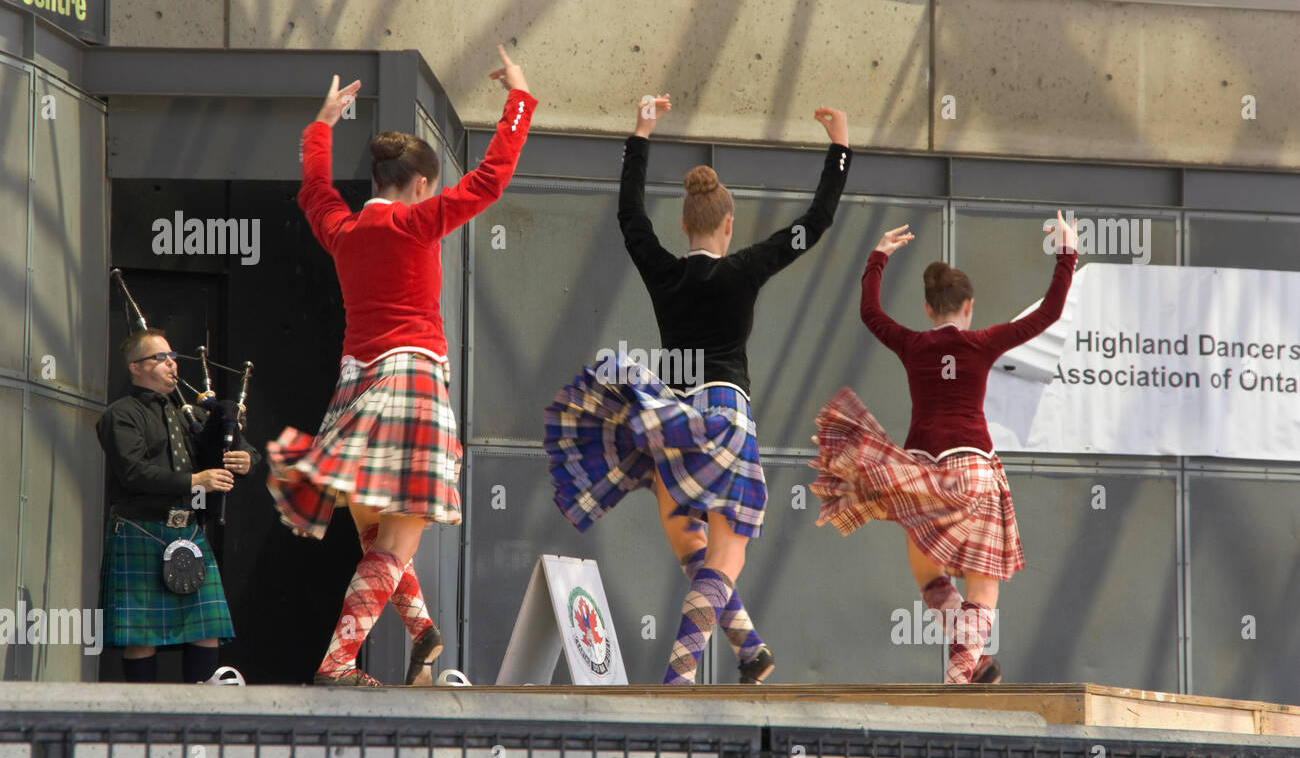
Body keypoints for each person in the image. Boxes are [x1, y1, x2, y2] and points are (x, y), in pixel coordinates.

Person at [544, 93, 853, 684]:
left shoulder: (663, 271)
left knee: (691, 543)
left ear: (682, 224)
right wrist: (838, 150)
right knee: (724, 556)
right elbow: (813, 225)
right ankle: (679, 680)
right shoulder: (746, 268)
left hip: (671, 418)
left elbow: (630, 218)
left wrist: (641, 131)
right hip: (724, 416)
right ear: (729, 225)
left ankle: (750, 651)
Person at [267, 46, 538, 687]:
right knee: (397, 542)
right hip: (413, 382)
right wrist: (519, 100)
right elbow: (493, 178)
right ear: (421, 185)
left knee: (377, 536)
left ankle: (423, 632)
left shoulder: (344, 230)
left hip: (356, 387)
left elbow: (314, 190)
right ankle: (337, 663)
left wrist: (323, 124)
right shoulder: (421, 223)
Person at [809, 213, 1079, 683]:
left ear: (929, 309)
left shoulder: (913, 344)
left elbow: (870, 313)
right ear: (969, 306)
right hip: (973, 470)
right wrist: (1065, 253)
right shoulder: (982, 343)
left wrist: (877, 258)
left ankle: (971, 662)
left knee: (927, 573)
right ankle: (960, 673)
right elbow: (1049, 313)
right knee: (984, 581)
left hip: (921, 475)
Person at [97, 329, 254, 683]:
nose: (172, 364)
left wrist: (245, 460)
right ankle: (143, 719)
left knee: (206, 630)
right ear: (136, 368)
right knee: (142, 638)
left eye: (173, 357)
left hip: (188, 530)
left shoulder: (187, 413)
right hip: (141, 529)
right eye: (161, 358)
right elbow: (133, 472)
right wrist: (196, 481)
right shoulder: (121, 415)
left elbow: (225, 450)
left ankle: (198, 714)